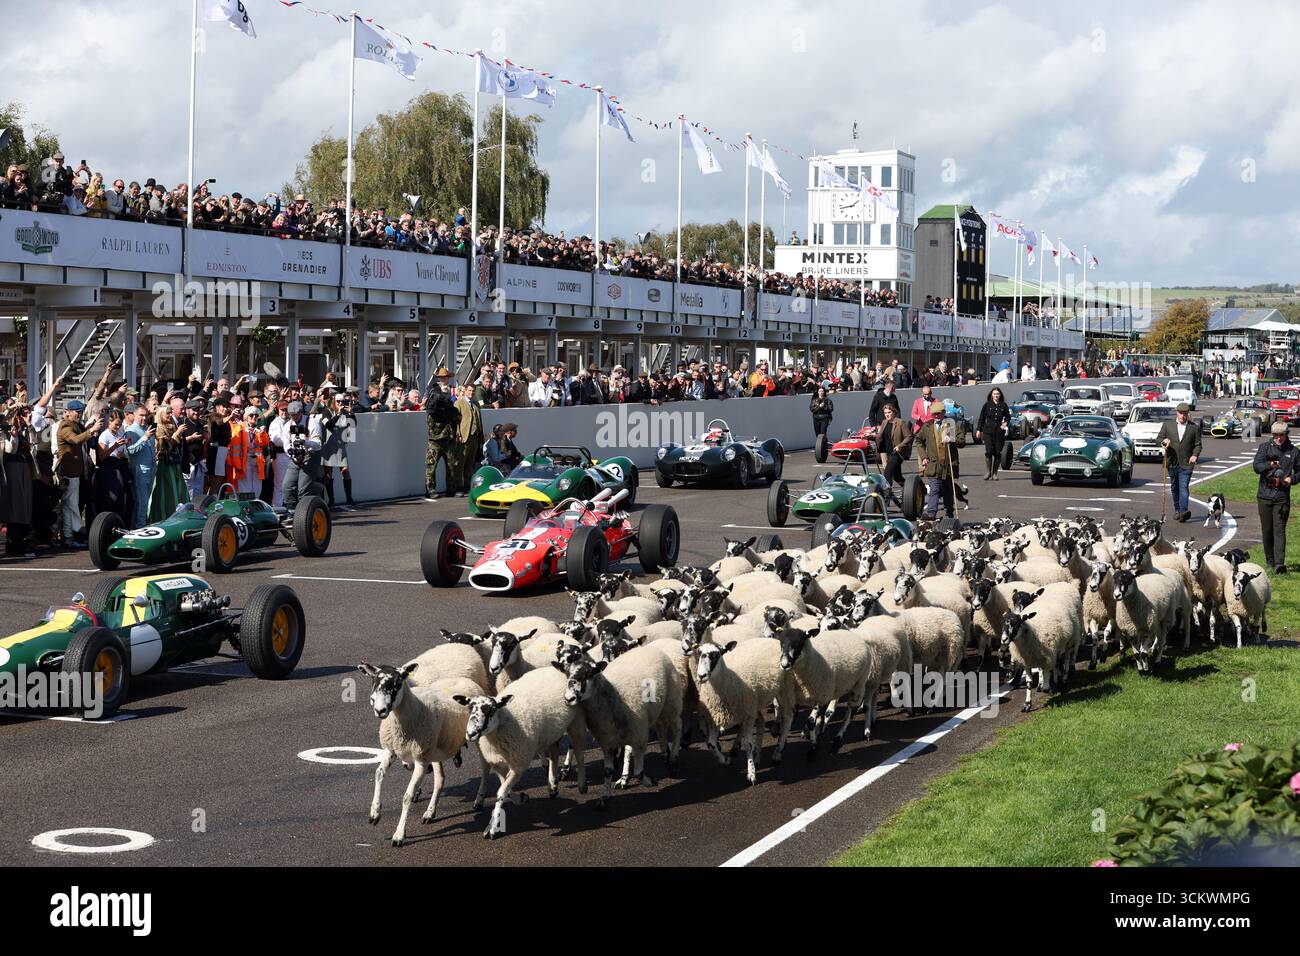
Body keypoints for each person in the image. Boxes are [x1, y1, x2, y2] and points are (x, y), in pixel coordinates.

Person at [55, 400, 104, 548]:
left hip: (76, 472)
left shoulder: (76, 425)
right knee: (69, 505)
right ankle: (68, 536)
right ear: (68, 412)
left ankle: (69, 536)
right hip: (68, 472)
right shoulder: (65, 426)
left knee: (71, 505)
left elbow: (83, 436)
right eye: (77, 412)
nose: (79, 414)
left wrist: (91, 429)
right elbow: (76, 440)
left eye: (81, 412)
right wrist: (91, 430)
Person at [1254, 421, 1300, 573]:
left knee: (1279, 529)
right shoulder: (1264, 448)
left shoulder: (1294, 452)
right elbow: (1256, 466)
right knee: (1267, 530)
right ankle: (1270, 560)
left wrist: (1291, 479)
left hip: (1282, 496)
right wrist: (1270, 464)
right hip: (1265, 495)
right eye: (1275, 435)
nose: (1278, 438)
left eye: (1281, 435)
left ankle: (1280, 564)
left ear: (1287, 435)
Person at [0, 404, 37, 558]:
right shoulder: (4, 429)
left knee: (24, 506)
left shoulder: (21, 427)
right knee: (16, 506)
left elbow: (35, 442)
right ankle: (13, 542)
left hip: (24, 467)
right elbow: (10, 450)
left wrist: (28, 424)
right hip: (12, 468)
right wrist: (10, 412)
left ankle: (19, 541)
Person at [1157, 402, 1201, 523]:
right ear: (1177, 413)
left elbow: (1198, 445)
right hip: (1171, 462)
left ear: (1188, 414)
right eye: (1181, 414)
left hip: (1186, 463)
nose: (1183, 416)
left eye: (1185, 414)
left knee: (1183, 487)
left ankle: (1183, 511)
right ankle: (1177, 510)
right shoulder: (1168, 425)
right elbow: (1159, 439)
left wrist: (1194, 455)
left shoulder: (1194, 427)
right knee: (1174, 487)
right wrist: (1164, 442)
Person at [280, 401, 324, 512]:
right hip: (295, 457)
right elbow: (285, 442)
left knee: (303, 490)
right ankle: (292, 511)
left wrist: (305, 442)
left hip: (310, 455)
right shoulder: (287, 425)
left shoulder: (312, 422)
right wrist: (289, 451)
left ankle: (304, 513)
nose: (294, 417)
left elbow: (318, 444)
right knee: (287, 486)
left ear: (301, 412)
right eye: (291, 415)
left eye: (296, 414)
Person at [424, 370, 460, 500]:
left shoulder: (452, 391)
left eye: (446, 377)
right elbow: (430, 409)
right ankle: (430, 489)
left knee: (451, 465)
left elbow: (455, 414)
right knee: (431, 465)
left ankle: (451, 488)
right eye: (442, 377)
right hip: (436, 437)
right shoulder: (434, 392)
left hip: (449, 436)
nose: (444, 379)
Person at [916, 400, 956, 520]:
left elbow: (961, 440)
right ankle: (931, 515)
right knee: (934, 490)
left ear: (943, 412)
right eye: (934, 414)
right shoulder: (927, 426)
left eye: (938, 413)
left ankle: (949, 514)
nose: (936, 416)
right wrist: (924, 457)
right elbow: (918, 441)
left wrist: (952, 438)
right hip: (933, 465)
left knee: (948, 491)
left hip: (948, 465)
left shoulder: (951, 423)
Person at [320, 389, 358, 511]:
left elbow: (353, 428)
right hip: (328, 446)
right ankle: (331, 500)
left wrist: (351, 414)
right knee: (328, 474)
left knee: (345, 471)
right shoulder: (327, 412)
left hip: (340, 446)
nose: (341, 404)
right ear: (333, 402)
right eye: (338, 401)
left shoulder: (346, 413)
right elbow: (328, 425)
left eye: (343, 401)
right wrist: (337, 415)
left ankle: (349, 497)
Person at [94, 407, 131, 518]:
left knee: (121, 498)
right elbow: (102, 456)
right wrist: (115, 446)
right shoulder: (104, 435)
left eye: (120, 424)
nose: (118, 427)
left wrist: (123, 454)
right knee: (111, 499)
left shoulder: (118, 434)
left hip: (119, 466)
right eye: (116, 424)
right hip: (109, 470)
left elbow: (120, 452)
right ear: (109, 422)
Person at [123, 404, 156, 529]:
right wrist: (144, 438)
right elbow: (131, 450)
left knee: (146, 501)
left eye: (145, 415)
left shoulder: (147, 428)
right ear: (134, 415)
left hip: (150, 469)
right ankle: (139, 527)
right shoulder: (131, 430)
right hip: (140, 470)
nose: (143, 418)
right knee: (141, 502)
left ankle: (141, 525)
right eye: (141, 415)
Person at [876, 402, 912, 504]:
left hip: (898, 453)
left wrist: (899, 446)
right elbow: (880, 436)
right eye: (885, 413)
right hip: (888, 452)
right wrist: (869, 436)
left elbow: (909, 436)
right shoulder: (884, 422)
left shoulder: (900, 422)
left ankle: (886, 499)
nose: (887, 414)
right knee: (897, 477)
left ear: (894, 412)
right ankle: (914, 488)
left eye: (889, 412)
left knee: (887, 474)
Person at [976, 386, 1011, 481]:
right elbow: (981, 418)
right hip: (988, 431)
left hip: (999, 432)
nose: (996, 395)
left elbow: (1008, 416)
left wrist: (1005, 423)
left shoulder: (1003, 405)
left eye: (998, 394)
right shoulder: (987, 405)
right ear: (992, 395)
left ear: (1000, 395)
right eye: (995, 394)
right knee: (989, 451)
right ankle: (988, 472)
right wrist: (979, 430)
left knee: (997, 452)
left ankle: (995, 473)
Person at [456, 384, 484, 498]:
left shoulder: (476, 404)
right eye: (469, 390)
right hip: (464, 436)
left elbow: (479, 421)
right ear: (465, 391)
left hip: (474, 437)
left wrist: (480, 437)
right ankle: (458, 486)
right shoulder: (459, 403)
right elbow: (456, 421)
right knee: (460, 463)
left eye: (473, 391)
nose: (471, 393)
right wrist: (458, 434)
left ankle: (467, 486)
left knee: (470, 464)